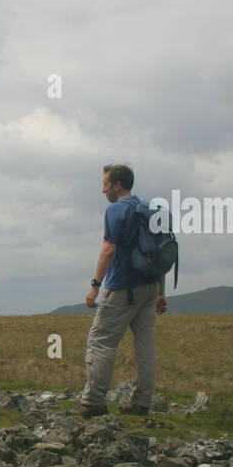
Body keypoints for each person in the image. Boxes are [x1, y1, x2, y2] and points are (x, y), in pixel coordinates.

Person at [72, 164, 167, 418]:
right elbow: (160, 253)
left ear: (117, 185)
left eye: (105, 183)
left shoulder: (116, 210)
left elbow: (108, 249)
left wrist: (95, 285)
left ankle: (93, 402)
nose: (102, 189)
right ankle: (142, 402)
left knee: (100, 342)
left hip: (122, 286)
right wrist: (161, 292)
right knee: (145, 346)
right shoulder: (150, 209)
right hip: (148, 287)